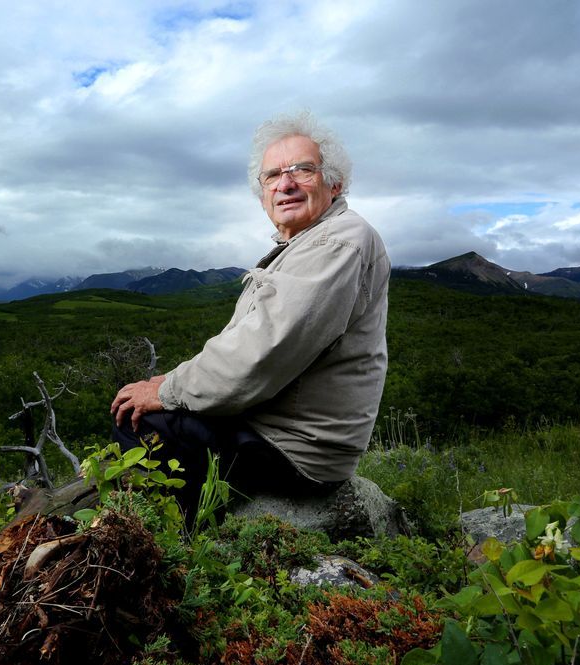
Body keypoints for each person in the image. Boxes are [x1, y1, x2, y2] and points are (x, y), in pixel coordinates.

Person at [110, 111, 390, 510]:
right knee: (157, 405)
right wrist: (173, 380)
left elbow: (261, 354)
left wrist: (169, 391)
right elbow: (246, 343)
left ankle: (185, 547)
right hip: (283, 432)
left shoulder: (338, 242)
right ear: (262, 196)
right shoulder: (310, 243)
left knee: (141, 420)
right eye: (273, 175)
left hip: (297, 448)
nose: (285, 184)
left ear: (334, 184)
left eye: (302, 170)